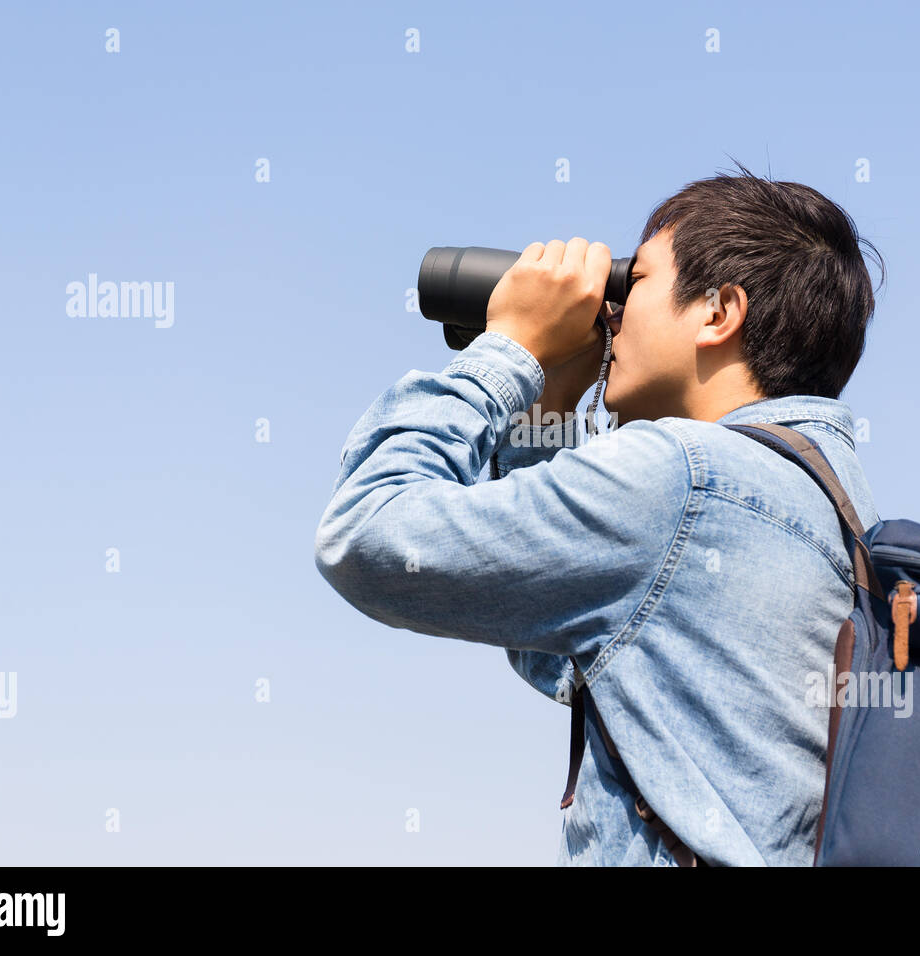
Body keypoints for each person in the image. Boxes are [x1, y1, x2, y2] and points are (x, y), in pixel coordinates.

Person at [314, 159, 885, 866]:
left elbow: (369, 532)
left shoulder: (683, 477)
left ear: (719, 312)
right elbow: (572, 650)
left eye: (633, 280)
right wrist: (549, 407)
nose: (610, 308)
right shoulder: (832, 504)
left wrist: (507, 352)